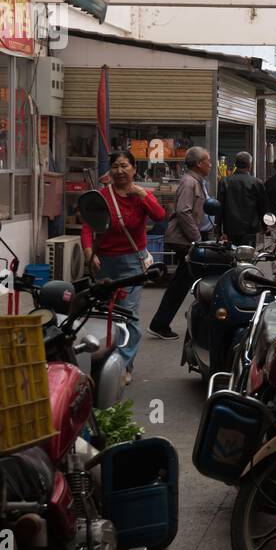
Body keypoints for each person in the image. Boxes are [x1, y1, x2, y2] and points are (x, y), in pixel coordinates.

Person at [81, 149, 165, 381]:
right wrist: (89, 252)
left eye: (124, 166)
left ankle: (122, 365)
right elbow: (88, 226)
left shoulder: (141, 196)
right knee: (103, 315)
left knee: (127, 316)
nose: (119, 171)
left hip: (132, 263)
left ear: (134, 169)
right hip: (104, 262)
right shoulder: (102, 196)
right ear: (110, 170)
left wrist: (140, 193)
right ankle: (105, 360)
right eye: (115, 166)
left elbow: (160, 215)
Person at [147, 146, 213, 341]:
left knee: (183, 282)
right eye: (208, 161)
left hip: (190, 239)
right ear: (199, 163)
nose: (210, 164)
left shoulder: (197, 181)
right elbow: (184, 212)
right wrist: (197, 240)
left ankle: (162, 323)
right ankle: (162, 323)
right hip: (185, 240)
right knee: (185, 282)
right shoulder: (189, 182)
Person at [217, 150, 266, 247]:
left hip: (230, 229)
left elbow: (219, 207)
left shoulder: (225, 182)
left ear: (235, 164)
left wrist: (218, 231)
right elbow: (263, 207)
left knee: (231, 258)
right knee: (247, 258)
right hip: (250, 230)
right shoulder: (257, 183)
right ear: (249, 165)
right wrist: (264, 226)